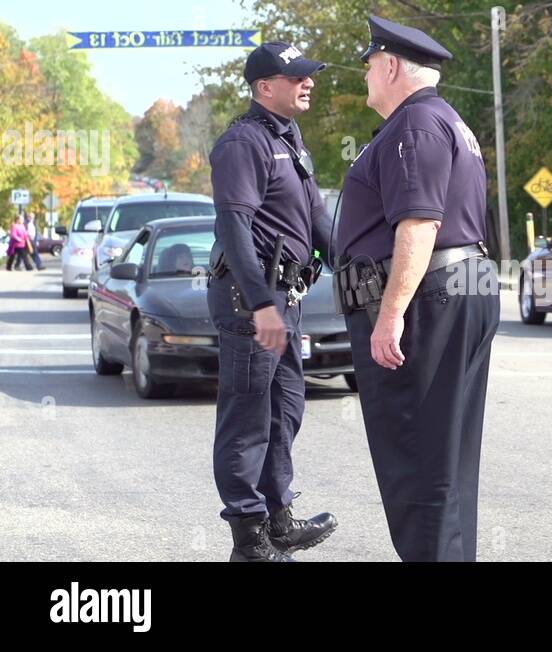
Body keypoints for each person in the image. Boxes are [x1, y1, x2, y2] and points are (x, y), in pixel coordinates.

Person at [334, 15, 500, 562]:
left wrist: (390, 313)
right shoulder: (444, 121)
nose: (365, 79)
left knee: (418, 458)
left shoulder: (415, 125)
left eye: (367, 68)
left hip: (431, 298)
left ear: (389, 66)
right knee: (445, 459)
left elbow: (419, 223)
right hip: (458, 287)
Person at [207, 41, 337, 562]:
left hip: (287, 296)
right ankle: (249, 536)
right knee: (247, 417)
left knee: (284, 409)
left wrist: (362, 266)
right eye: (298, 77)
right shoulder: (243, 142)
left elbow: (317, 219)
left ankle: (278, 518)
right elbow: (234, 226)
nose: (309, 82)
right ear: (265, 87)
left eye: (309, 75)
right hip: (251, 300)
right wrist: (261, 303)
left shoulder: (290, 139)